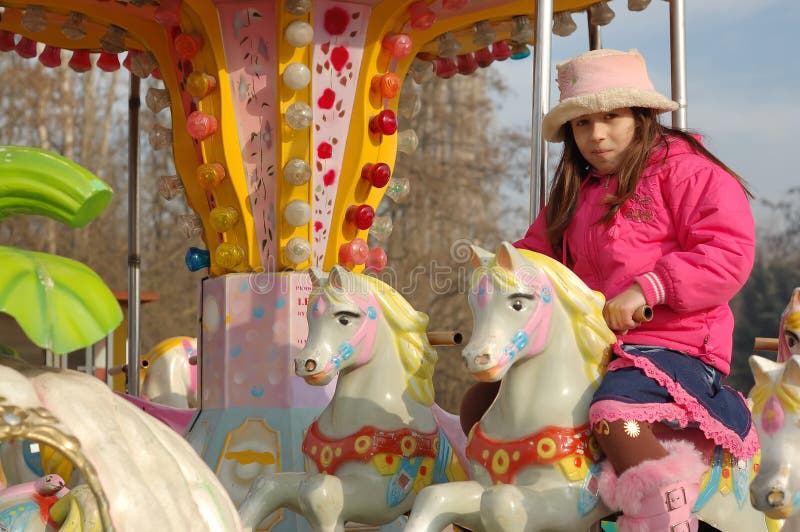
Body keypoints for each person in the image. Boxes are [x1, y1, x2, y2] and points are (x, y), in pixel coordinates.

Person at [462, 49, 758, 531]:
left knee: (614, 410)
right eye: (581, 125)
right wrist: (494, 281)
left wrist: (649, 289)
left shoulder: (689, 172)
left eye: (611, 117)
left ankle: (669, 516)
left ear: (642, 116)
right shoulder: (579, 190)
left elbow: (726, 251)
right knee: (481, 399)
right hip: (596, 343)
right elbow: (535, 258)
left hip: (674, 344)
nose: (596, 135)